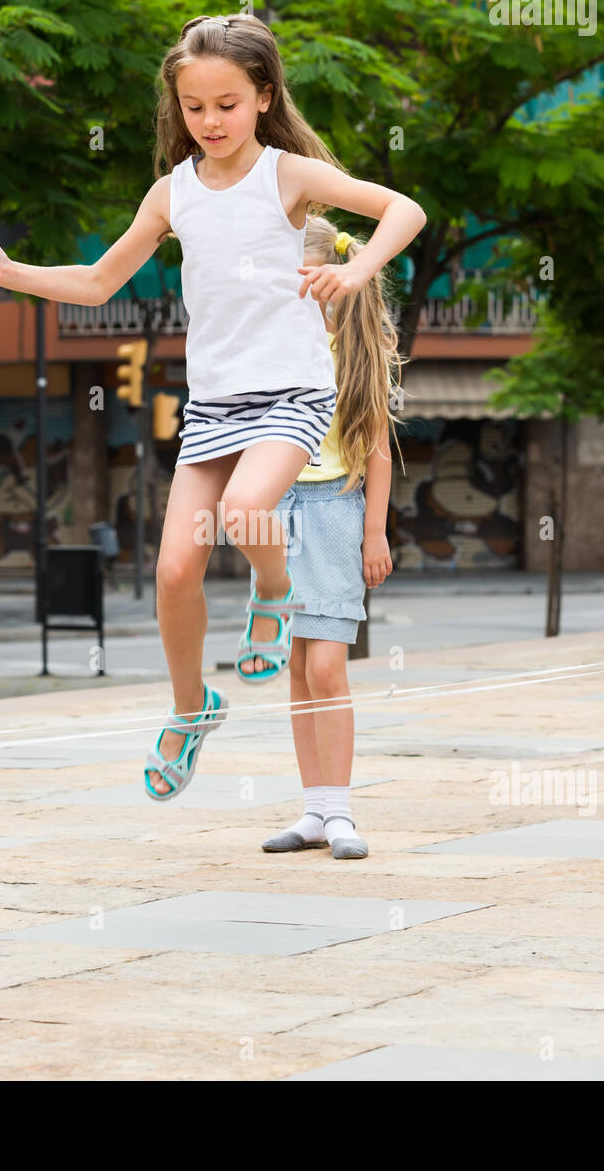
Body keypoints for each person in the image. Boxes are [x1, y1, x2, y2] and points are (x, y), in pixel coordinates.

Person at [0, 12, 425, 800]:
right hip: (215, 408)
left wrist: (361, 266)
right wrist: (7, 272)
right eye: (195, 108)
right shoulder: (174, 193)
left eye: (227, 105)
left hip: (292, 395)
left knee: (244, 509)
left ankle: (275, 592)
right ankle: (192, 707)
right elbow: (99, 283)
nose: (211, 122)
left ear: (264, 96)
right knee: (172, 573)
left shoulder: (289, 175)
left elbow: (403, 209)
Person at [254, 217, 402, 859]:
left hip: (335, 510)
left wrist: (375, 532)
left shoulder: (354, 351)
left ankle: (339, 811)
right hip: (277, 509)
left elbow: (377, 452)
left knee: (326, 666)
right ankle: (312, 810)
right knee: (296, 668)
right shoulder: (267, 344)